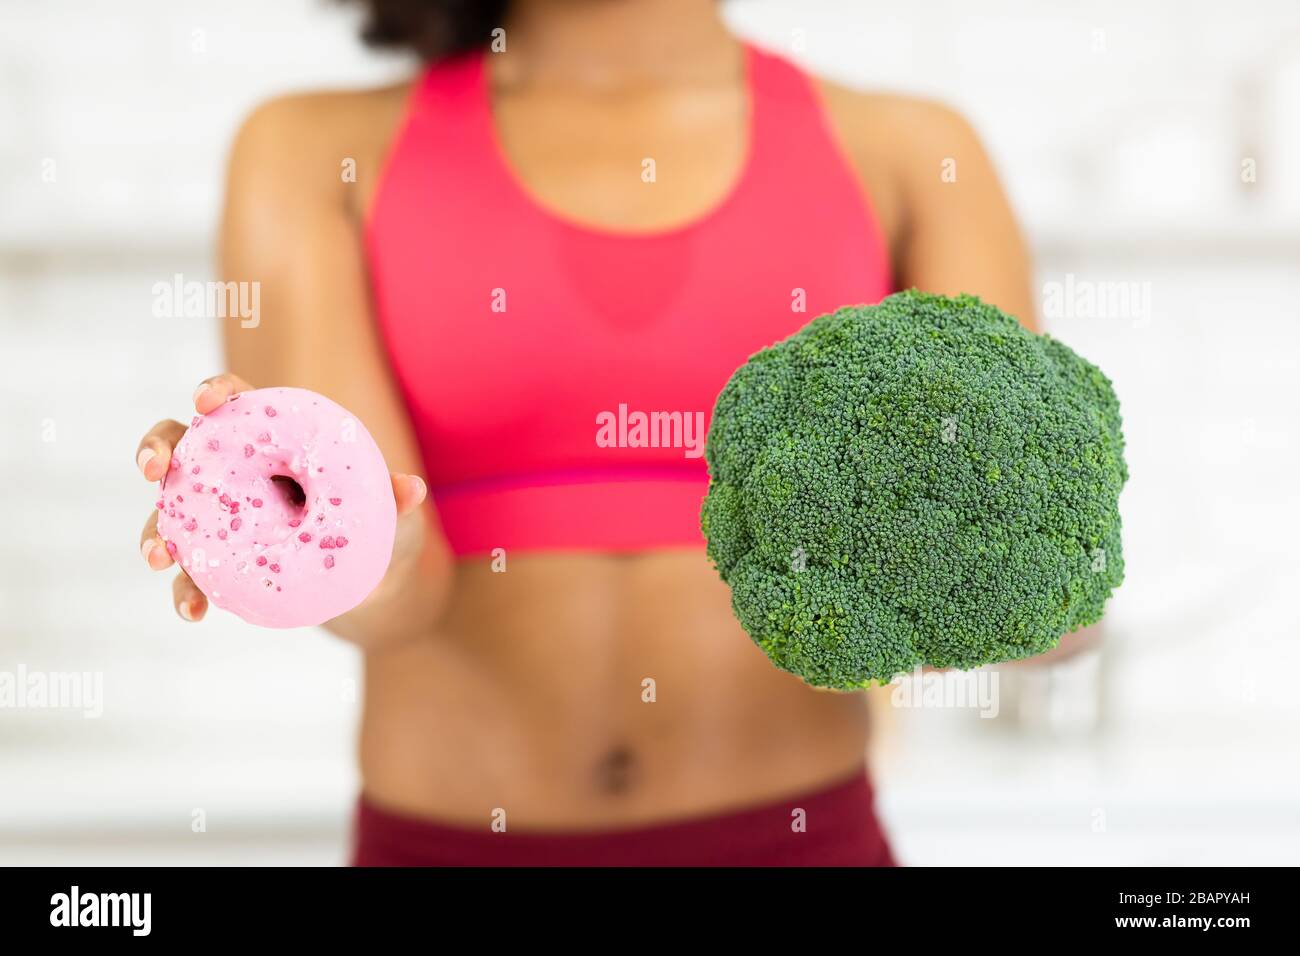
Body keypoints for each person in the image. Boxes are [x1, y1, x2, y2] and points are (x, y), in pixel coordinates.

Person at [135, 0, 1040, 866]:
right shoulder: (311, 151)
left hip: (804, 844)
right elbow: (388, 595)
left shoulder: (914, 152)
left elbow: (1014, 548)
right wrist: (339, 544)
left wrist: (1040, 603)